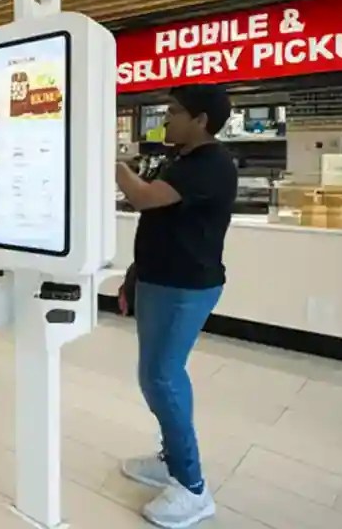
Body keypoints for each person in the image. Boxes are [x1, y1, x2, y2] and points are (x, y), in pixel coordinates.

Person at [115, 84, 236, 529]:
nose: (166, 119)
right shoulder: (184, 161)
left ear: (201, 119)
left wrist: (112, 165)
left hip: (184, 287)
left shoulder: (212, 165)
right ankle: (171, 460)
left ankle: (192, 487)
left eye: (173, 112)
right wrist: (135, 275)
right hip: (158, 280)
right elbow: (161, 221)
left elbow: (144, 198)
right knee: (156, 375)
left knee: (162, 378)